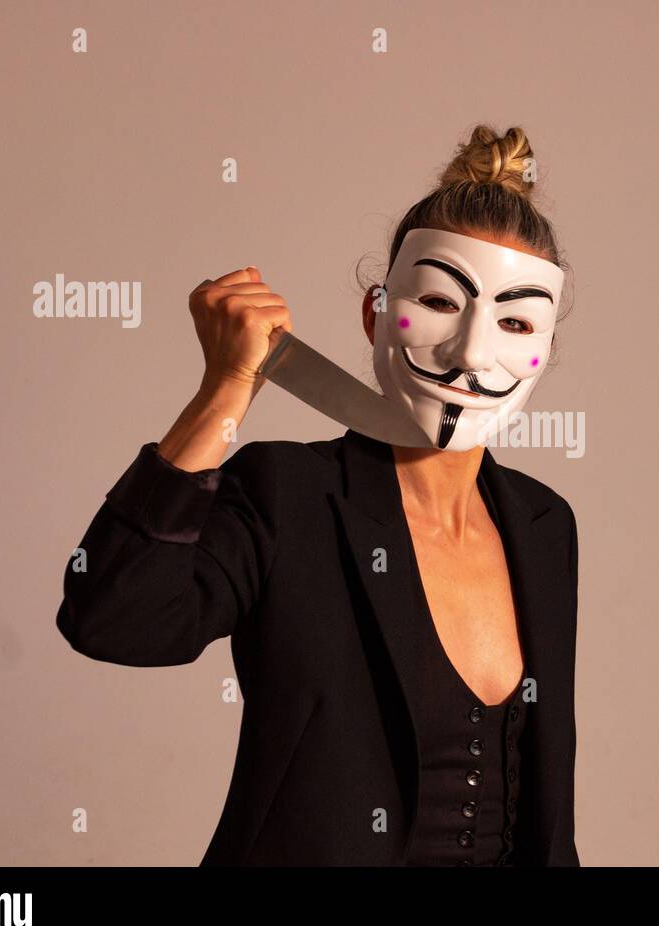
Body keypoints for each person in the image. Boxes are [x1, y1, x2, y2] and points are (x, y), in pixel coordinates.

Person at [56, 125, 580, 866]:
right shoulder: (287, 495)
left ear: (544, 350)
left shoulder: (543, 525)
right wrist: (226, 388)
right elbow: (113, 618)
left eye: (516, 321)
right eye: (437, 301)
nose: (470, 353)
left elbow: (543, 811)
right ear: (375, 313)